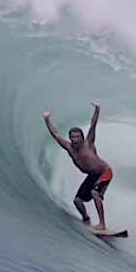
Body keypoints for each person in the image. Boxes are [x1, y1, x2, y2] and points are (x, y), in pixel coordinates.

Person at [43, 99, 113, 231]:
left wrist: (97, 109)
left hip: (106, 172)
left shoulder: (89, 143)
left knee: (94, 193)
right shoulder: (69, 148)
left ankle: (102, 224)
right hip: (92, 175)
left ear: (82, 137)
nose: (74, 139)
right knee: (77, 201)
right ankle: (86, 219)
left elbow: (93, 124)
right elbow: (56, 134)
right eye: (72, 137)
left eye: (77, 137)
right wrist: (47, 119)